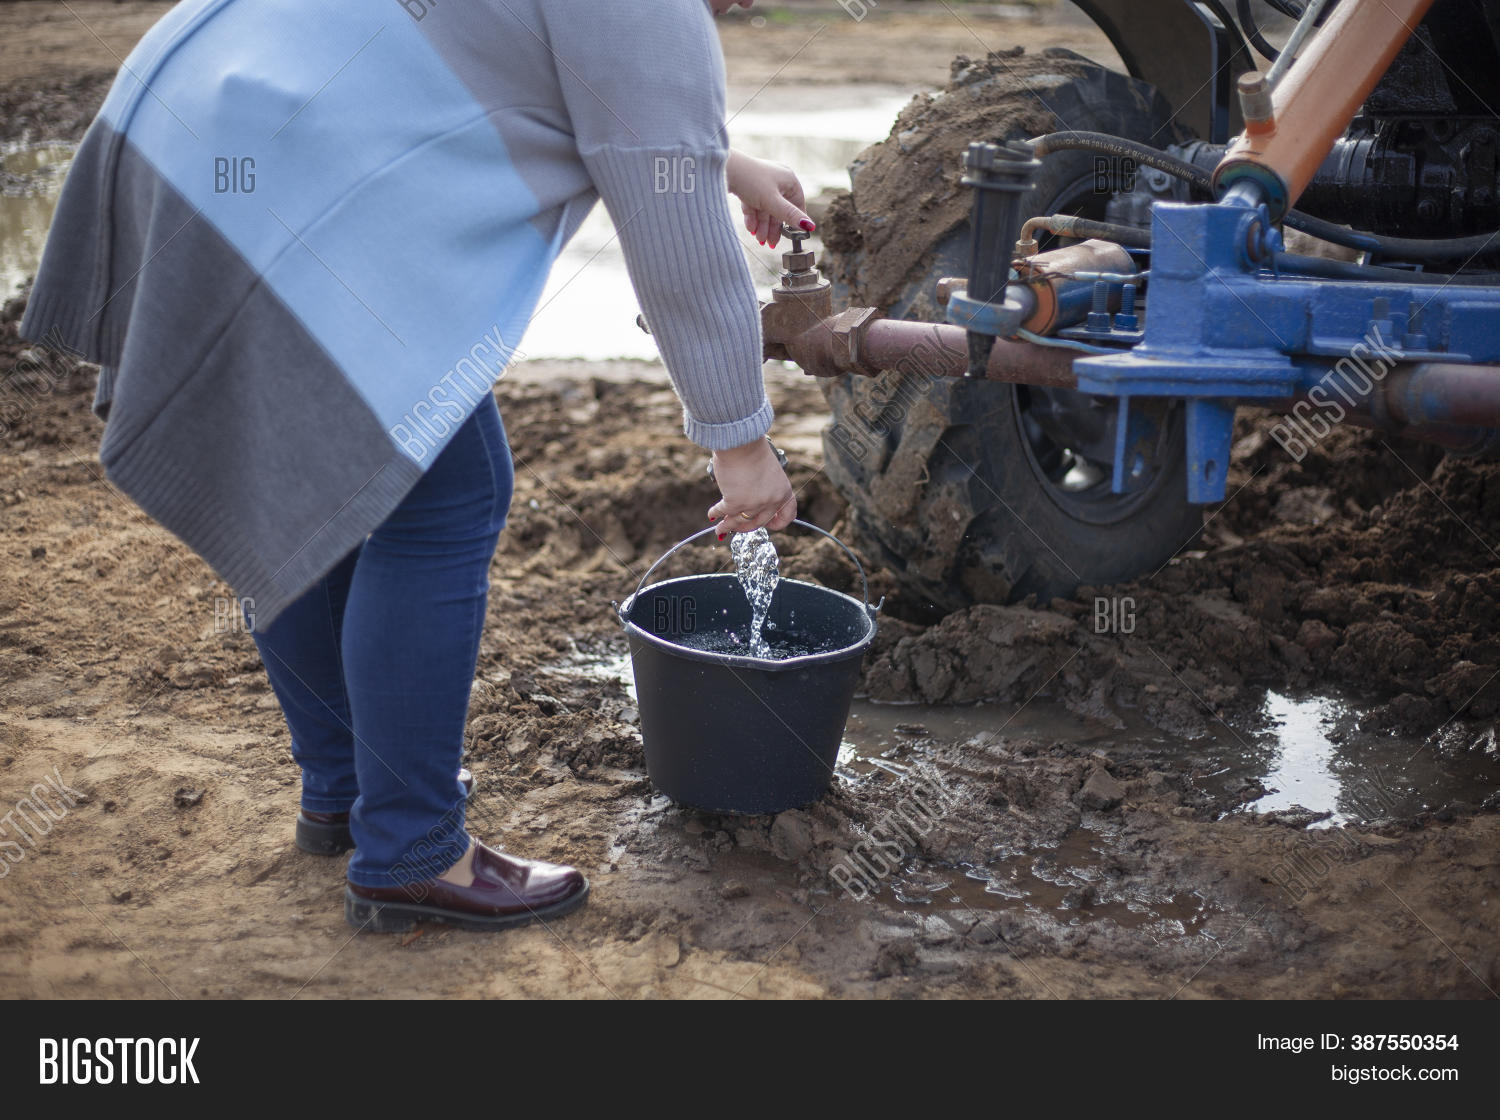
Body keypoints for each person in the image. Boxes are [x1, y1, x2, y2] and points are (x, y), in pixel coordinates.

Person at [20, 0, 803, 932]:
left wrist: (726, 161)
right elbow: (674, 241)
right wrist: (741, 443)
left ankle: (343, 789)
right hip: (280, 166)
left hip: (196, 113)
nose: (737, 10)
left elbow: (569, 79)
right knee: (449, 494)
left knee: (333, 467)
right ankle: (412, 847)